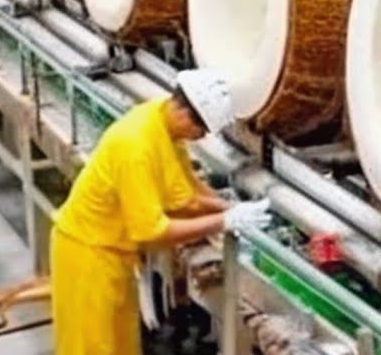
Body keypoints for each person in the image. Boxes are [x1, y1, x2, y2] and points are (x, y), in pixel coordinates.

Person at [51, 69, 272, 355]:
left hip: (114, 253)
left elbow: (187, 195)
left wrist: (230, 207)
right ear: (185, 114)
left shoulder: (161, 121)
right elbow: (151, 229)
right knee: (90, 348)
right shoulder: (136, 147)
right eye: (202, 130)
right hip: (86, 255)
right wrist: (224, 221)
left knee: (122, 346)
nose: (199, 137)